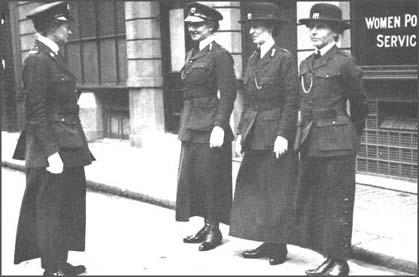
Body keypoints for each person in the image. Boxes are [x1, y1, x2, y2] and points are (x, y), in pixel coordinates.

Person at [12, 2, 95, 276]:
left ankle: (60, 262)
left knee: (67, 204)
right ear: (50, 27)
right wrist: (51, 153)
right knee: (50, 209)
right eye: (64, 24)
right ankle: (52, 270)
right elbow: (35, 111)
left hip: (67, 142)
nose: (69, 29)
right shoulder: (37, 60)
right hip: (52, 147)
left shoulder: (53, 56)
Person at [294, 3, 368, 276]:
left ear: (335, 31)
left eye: (320, 27)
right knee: (319, 202)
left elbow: (359, 104)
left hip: (338, 142)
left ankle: (340, 261)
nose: (313, 32)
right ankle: (328, 256)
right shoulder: (306, 63)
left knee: (338, 202)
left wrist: (350, 132)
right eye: (311, 27)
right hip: (312, 140)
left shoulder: (344, 62)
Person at [229, 2, 299, 266]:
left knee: (277, 190)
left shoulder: (284, 58)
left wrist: (283, 134)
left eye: (257, 26)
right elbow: (247, 102)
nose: (252, 32)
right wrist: (238, 134)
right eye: (250, 27)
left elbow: (292, 101)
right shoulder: (252, 59)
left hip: (276, 134)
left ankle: (279, 245)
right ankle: (265, 239)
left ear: (270, 27)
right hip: (254, 133)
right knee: (256, 188)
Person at [176, 2, 237, 252]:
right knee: (196, 178)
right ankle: (204, 223)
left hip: (210, 123)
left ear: (211, 26)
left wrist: (220, 126)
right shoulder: (193, 54)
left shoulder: (220, 55)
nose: (193, 29)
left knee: (212, 178)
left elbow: (229, 93)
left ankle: (215, 228)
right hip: (191, 123)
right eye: (190, 25)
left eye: (198, 25)